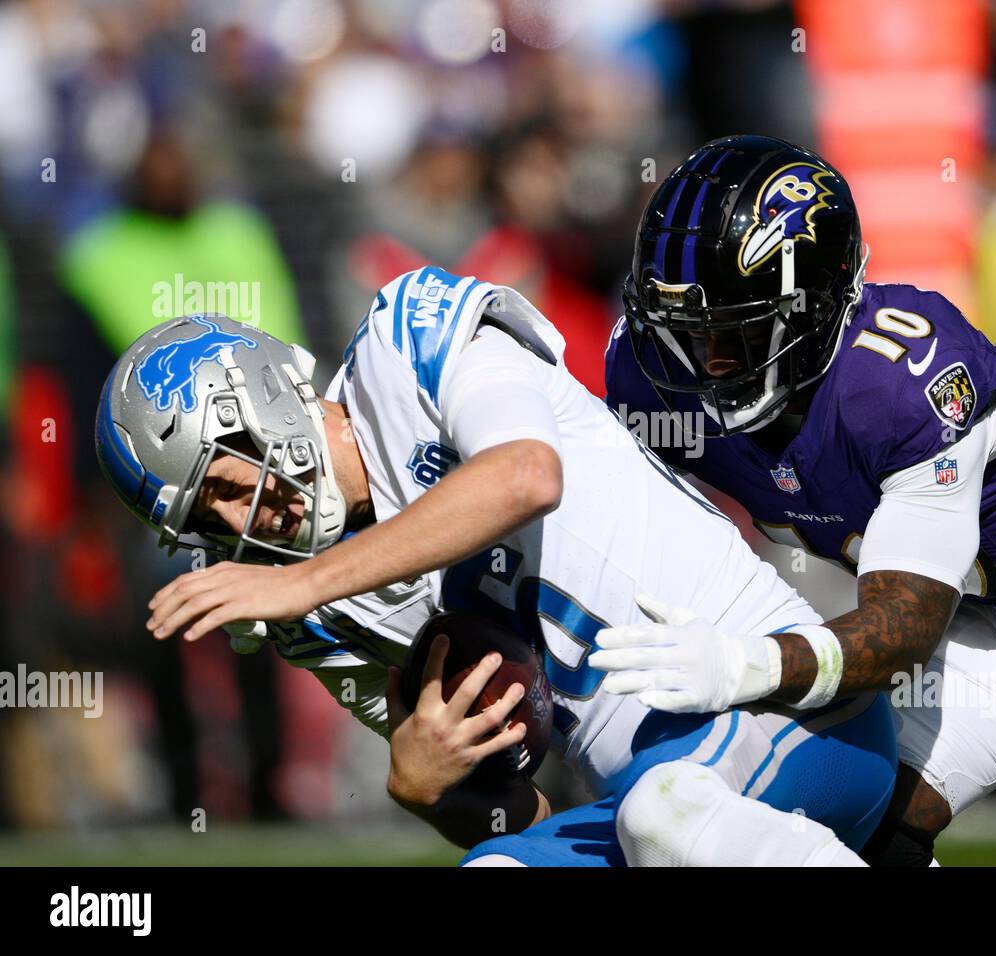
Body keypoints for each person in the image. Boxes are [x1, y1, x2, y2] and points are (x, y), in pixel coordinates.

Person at [93, 266, 896, 866]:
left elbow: (525, 476)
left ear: (264, 398)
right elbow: (525, 808)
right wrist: (430, 787)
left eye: (228, 485)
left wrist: (302, 581)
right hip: (670, 807)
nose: (241, 522)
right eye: (209, 522)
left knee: (665, 814)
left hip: (790, 706)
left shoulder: (406, 346)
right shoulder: (313, 620)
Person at [599, 134, 996, 866]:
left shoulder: (902, 382)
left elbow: (902, 629)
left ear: (811, 308)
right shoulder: (649, 381)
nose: (702, 366)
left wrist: (745, 666)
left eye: (731, 333)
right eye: (684, 335)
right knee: (852, 823)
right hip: (978, 615)